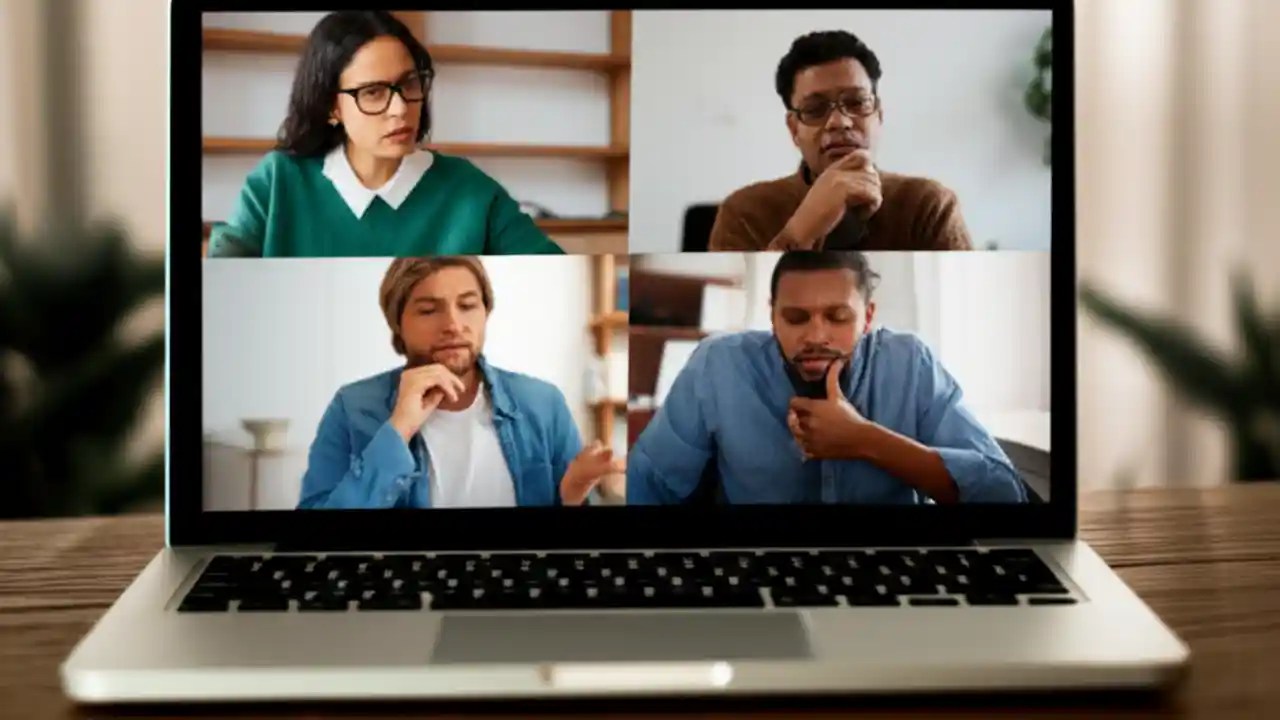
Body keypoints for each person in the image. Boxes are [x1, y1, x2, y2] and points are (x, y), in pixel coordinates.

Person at [627, 251, 1025, 505]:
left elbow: (1005, 496)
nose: (816, 337)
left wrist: (865, 440)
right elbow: (648, 487)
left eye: (838, 317)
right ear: (772, 315)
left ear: (868, 316)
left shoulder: (908, 363)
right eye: (796, 318)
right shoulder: (719, 365)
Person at [208, 11, 563, 258]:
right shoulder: (277, 183)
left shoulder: (469, 190)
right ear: (332, 106)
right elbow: (215, 293)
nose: (400, 109)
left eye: (409, 83)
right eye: (373, 92)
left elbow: (552, 277)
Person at [298, 257, 619, 509]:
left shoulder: (543, 402)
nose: (453, 325)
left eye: (467, 306)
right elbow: (311, 536)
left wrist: (574, 493)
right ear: (398, 323)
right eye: (428, 310)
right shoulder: (352, 407)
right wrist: (397, 431)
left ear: (485, 313)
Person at [707, 31, 972, 252]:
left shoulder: (928, 207)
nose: (839, 122)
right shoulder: (744, 213)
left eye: (856, 103)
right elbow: (743, 311)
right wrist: (800, 231)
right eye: (814, 109)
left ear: (878, 115)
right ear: (793, 129)